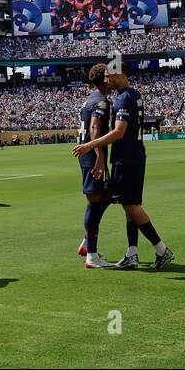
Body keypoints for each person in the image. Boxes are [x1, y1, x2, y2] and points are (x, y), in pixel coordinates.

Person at [72, 67, 174, 271]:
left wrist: (92, 147)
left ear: (119, 75)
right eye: (106, 77)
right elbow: (101, 128)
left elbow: (118, 131)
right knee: (125, 204)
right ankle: (130, 253)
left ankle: (159, 250)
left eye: (110, 76)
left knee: (127, 205)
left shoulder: (120, 98)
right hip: (127, 157)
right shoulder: (132, 95)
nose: (107, 80)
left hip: (125, 159)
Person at [76, 64, 116, 269]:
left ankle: (86, 243)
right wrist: (100, 157)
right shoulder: (101, 101)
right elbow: (94, 127)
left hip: (87, 155)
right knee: (96, 200)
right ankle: (91, 255)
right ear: (105, 79)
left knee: (107, 196)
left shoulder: (89, 100)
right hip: (92, 156)